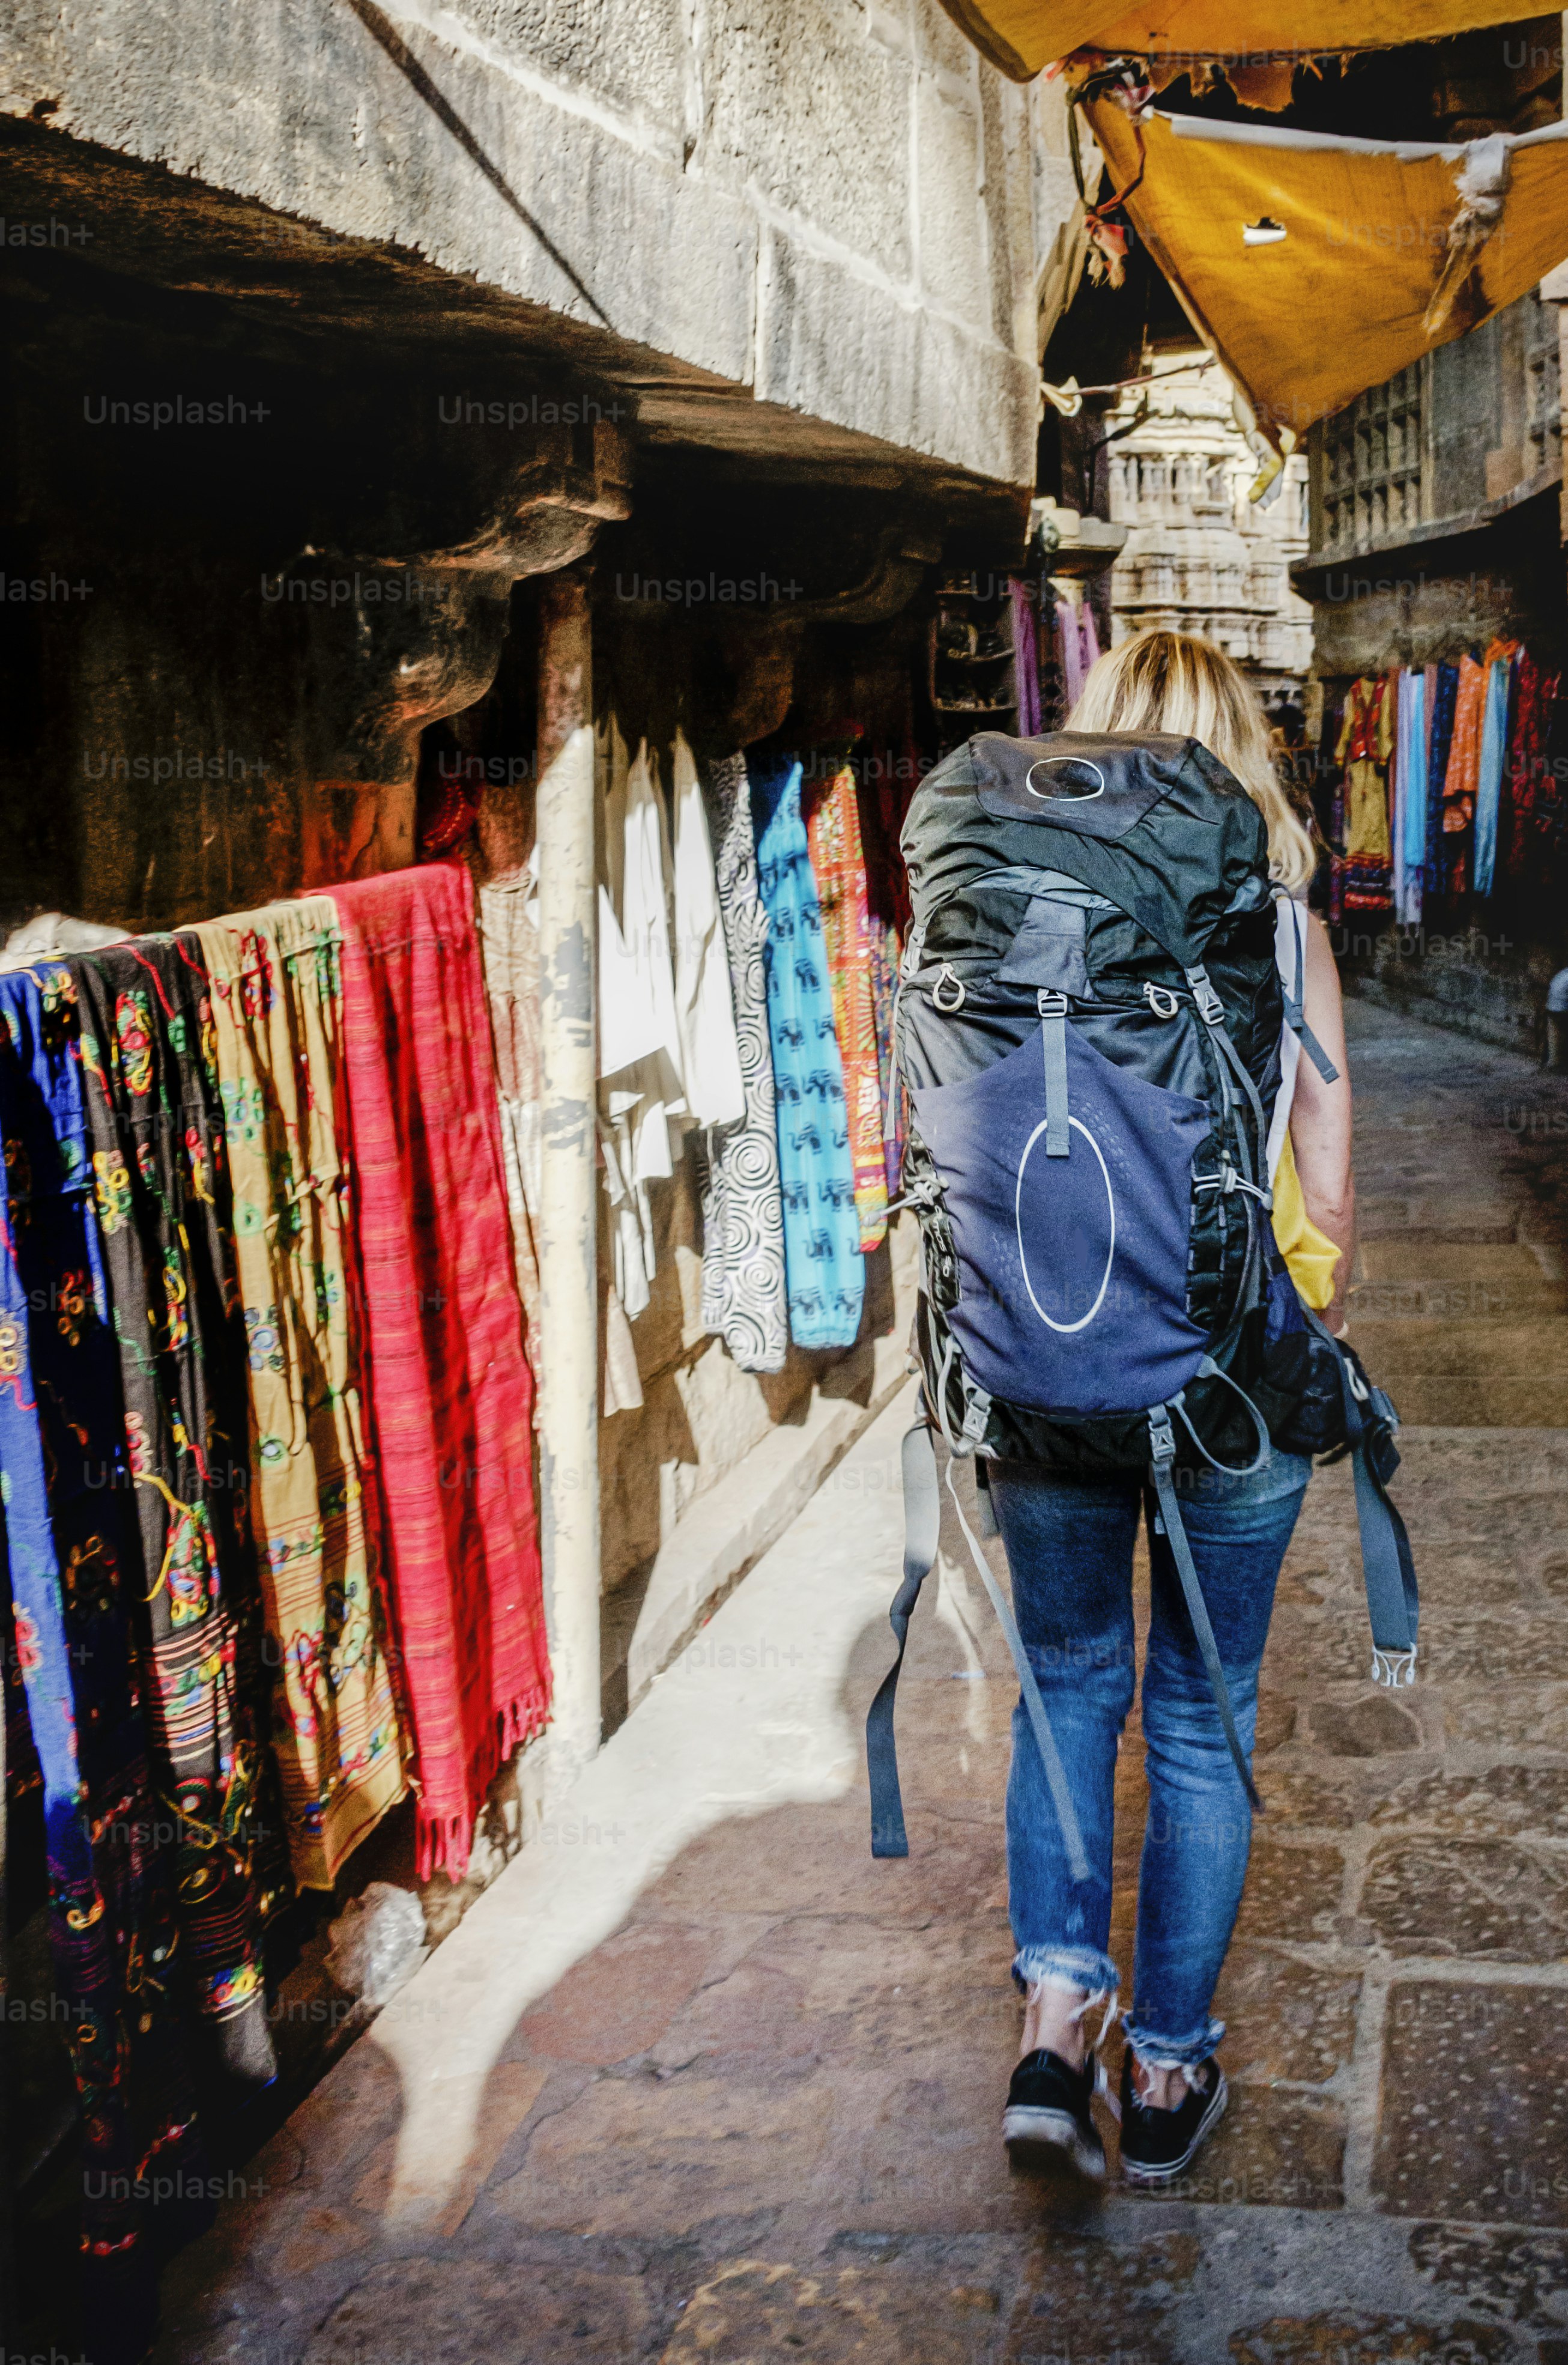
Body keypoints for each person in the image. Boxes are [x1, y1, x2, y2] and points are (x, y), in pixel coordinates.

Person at [995, 630, 1352, 2187]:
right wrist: (1299, 1328)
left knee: (1067, 1686)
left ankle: (1054, 2024)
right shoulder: (1279, 926)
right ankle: (1163, 2075)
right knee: (1202, 1725)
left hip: (1047, 1366)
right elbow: (1324, 1193)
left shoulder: (1006, 907)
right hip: (1232, 1380)